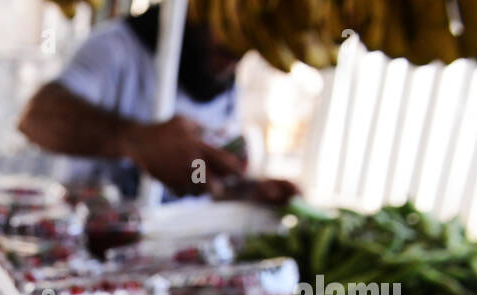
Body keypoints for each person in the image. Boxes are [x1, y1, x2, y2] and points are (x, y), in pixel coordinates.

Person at [18, 7, 297, 203]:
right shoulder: (114, 49)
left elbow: (202, 181)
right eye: (224, 50)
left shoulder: (224, 82)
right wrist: (136, 141)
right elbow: (36, 118)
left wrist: (248, 191)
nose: (230, 63)